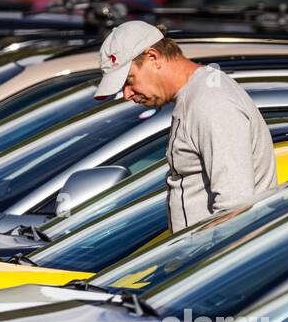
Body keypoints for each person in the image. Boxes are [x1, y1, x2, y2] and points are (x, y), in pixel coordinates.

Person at [93, 20, 276, 231]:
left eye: (129, 80)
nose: (126, 95)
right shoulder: (200, 93)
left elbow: (235, 208)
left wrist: (207, 258)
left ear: (153, 57)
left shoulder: (212, 102)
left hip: (214, 258)